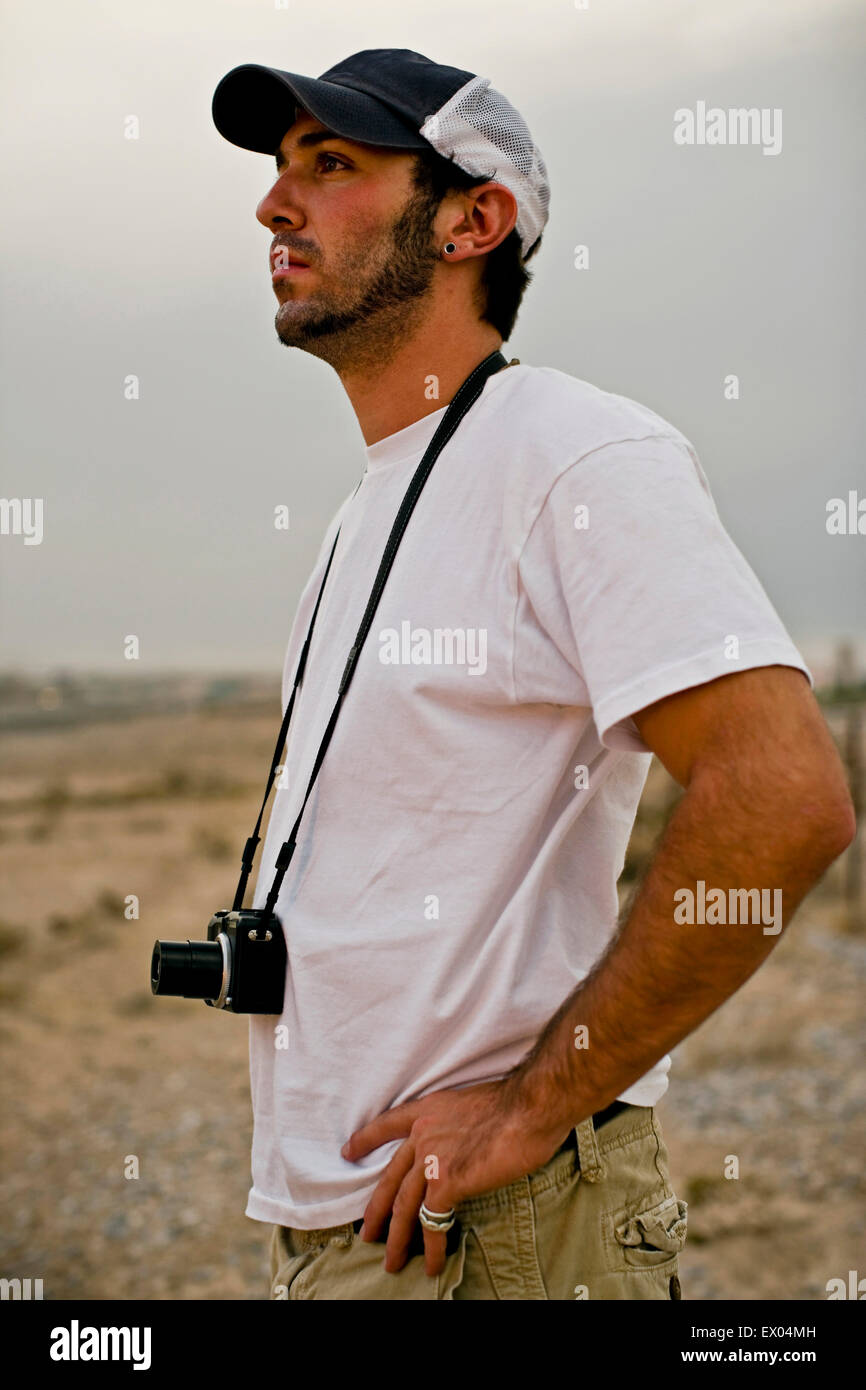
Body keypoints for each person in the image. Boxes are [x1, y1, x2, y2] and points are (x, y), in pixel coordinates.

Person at [210, 48, 856, 1300]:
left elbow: (781, 801)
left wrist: (525, 1106)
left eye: (331, 165)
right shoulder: (375, 506)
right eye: (280, 170)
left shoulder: (572, 455)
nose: (273, 205)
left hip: (493, 1235)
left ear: (472, 219)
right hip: (362, 1229)